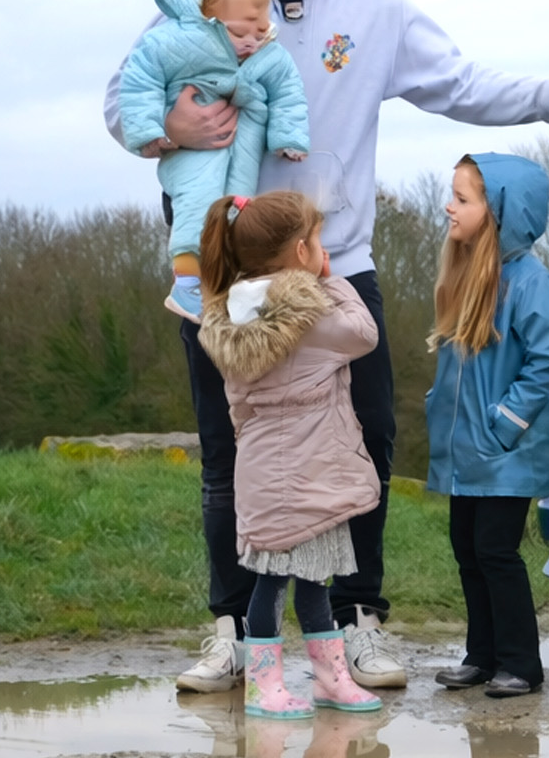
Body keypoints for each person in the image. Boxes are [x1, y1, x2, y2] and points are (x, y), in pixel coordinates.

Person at [102, 0, 549, 694]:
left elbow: (459, 82)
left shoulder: (372, 7)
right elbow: (123, 98)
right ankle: (236, 635)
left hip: (336, 269)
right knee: (227, 454)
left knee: (365, 444)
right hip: (227, 277)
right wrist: (166, 124)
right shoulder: (206, 0)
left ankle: (360, 622)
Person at [192, 190, 384, 719]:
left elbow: (236, 408)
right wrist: (333, 279)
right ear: (301, 251)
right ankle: (275, 684)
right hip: (315, 472)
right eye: (318, 241)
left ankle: (312, 679)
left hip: (263, 473)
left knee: (279, 580)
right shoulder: (313, 315)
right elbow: (365, 333)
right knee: (300, 583)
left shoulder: (232, 316)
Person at [424, 153, 549, 699]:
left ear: (500, 210)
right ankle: (481, 655)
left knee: (495, 551)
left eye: (462, 199)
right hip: (472, 450)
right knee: (467, 546)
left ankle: (521, 664)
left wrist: (504, 422)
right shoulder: (471, 276)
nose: (449, 206)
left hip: (506, 449)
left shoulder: (531, 282)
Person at [119, 0, 309, 321]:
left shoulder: (268, 52)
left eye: (259, 32)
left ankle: (226, 285)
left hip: (242, 142)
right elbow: (139, 78)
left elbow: (288, 90)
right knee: (199, 201)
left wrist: (290, 137)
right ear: (210, 18)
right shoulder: (176, 40)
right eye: (239, 34)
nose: (250, 43)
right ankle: (187, 282)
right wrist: (151, 131)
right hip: (192, 148)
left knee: (236, 210)